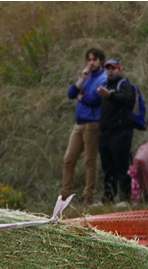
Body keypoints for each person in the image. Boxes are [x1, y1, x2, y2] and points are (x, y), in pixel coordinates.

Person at [61, 47, 106, 205]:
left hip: (92, 123)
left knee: (89, 160)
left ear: (101, 60)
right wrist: (82, 78)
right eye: (89, 60)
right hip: (79, 123)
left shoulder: (103, 77)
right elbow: (71, 93)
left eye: (94, 59)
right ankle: (65, 193)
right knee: (68, 159)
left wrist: (81, 97)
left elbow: (94, 99)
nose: (91, 63)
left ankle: (88, 195)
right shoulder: (87, 77)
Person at [97, 59, 136, 204]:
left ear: (119, 69)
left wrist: (110, 95)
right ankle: (108, 198)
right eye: (107, 68)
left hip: (121, 132)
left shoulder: (124, 84)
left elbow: (126, 99)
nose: (110, 71)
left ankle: (126, 198)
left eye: (113, 68)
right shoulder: (105, 85)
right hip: (106, 133)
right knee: (108, 167)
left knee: (122, 166)